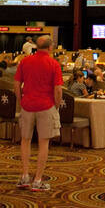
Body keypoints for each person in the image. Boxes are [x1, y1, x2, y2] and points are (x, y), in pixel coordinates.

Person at [15, 34, 63, 191]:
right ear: (50, 48)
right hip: (46, 106)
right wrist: (55, 106)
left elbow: (16, 84)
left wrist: (20, 100)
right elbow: (58, 90)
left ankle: (24, 176)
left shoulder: (25, 61)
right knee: (43, 143)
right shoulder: (54, 64)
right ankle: (37, 180)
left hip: (27, 105)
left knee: (25, 140)